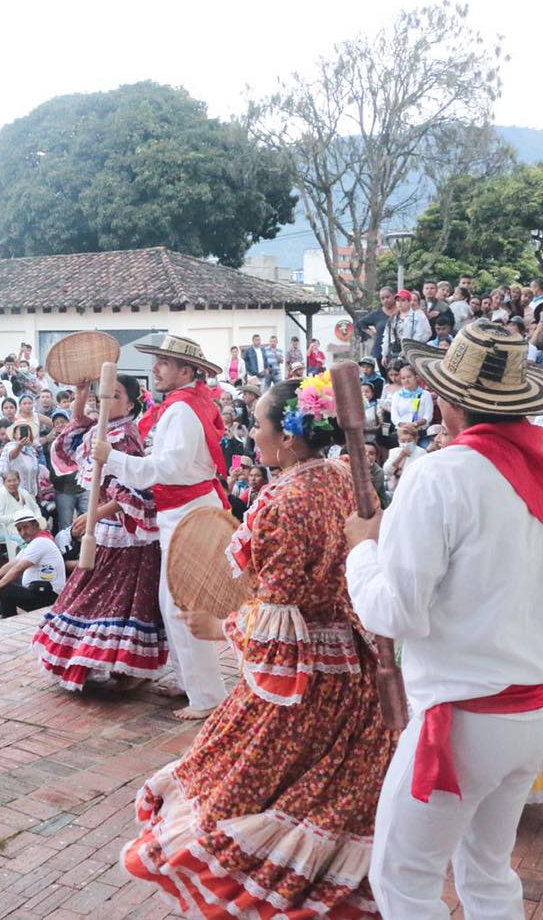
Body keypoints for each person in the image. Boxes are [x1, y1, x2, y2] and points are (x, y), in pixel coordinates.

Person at [123, 375, 396, 918]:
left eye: (259, 425)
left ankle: (266, 890)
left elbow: (275, 615)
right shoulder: (348, 478)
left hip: (299, 684)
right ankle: (328, 881)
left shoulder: (280, 499)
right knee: (333, 790)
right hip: (356, 668)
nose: (252, 436)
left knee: (246, 786)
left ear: (289, 439)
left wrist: (222, 623)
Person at [344, 320, 543, 916]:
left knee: (404, 879)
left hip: (462, 720)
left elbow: (397, 611)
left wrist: (361, 550)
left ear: (451, 401)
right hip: (530, 713)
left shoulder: (441, 473)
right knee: (487, 872)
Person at [93, 334, 228, 720]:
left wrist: (114, 459)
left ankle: (206, 696)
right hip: (181, 512)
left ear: (185, 371)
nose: (156, 369)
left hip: (188, 513)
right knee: (173, 606)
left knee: (183, 605)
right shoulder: (183, 405)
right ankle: (191, 684)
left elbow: (168, 469)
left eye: (164, 364)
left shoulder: (184, 409)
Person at [33, 373, 164, 691]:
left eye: (115, 395)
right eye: (103, 394)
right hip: (104, 530)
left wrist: (93, 517)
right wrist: (80, 393)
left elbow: (136, 494)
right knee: (92, 594)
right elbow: (72, 437)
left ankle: (127, 668)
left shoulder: (126, 436)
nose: (105, 400)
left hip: (128, 535)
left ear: (131, 404)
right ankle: (90, 657)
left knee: (121, 600)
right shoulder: (101, 430)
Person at [0, 510, 65, 619]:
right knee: (3, 582)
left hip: (49, 596)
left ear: (36, 525)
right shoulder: (33, 543)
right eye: (19, 529)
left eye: (25, 527)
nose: (23, 532)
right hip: (39, 591)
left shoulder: (40, 542)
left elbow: (18, 569)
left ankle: (7, 621)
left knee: (5, 589)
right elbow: (11, 565)